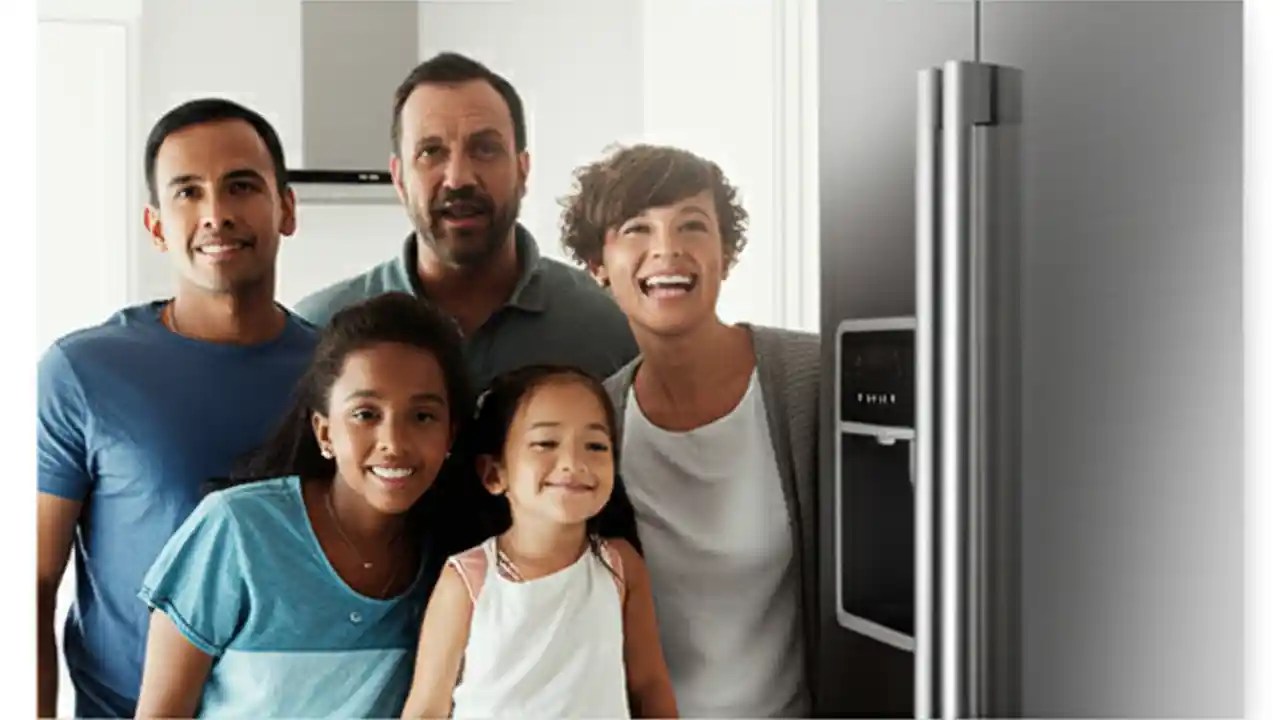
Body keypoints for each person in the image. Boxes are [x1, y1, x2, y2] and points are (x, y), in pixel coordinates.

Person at [36, 98, 318, 718]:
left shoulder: (337, 377)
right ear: (157, 224)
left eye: (240, 186)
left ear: (286, 207)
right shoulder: (83, 372)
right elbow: (29, 584)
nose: (215, 214)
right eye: (188, 192)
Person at [559, 144, 820, 717]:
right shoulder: (595, 421)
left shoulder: (810, 381)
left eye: (692, 225)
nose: (667, 249)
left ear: (725, 253)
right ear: (598, 264)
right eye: (637, 228)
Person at [133, 293, 472, 717]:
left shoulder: (457, 565)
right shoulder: (236, 529)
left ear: (450, 436)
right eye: (366, 414)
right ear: (325, 433)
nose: (394, 443)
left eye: (422, 416)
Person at [294, 52, 637, 389]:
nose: (459, 178)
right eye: (431, 152)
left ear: (522, 170)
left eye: (485, 149)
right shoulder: (318, 332)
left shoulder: (609, 326)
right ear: (399, 179)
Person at [401, 365, 677, 719]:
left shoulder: (620, 565)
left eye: (595, 445)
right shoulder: (468, 579)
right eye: (546, 443)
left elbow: (649, 685)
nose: (573, 463)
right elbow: (427, 707)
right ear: (495, 474)